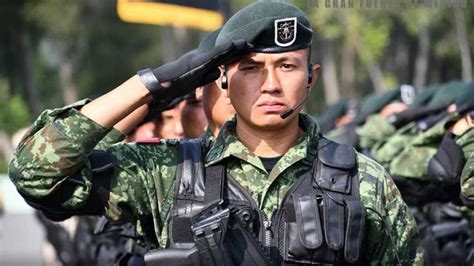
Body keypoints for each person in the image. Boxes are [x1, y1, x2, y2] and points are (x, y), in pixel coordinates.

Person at [9, 2, 421, 265]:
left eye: (288, 67)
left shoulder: (365, 182)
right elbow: (36, 175)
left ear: (312, 78)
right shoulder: (166, 173)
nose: (271, 85)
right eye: (251, 68)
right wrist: (153, 84)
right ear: (220, 79)